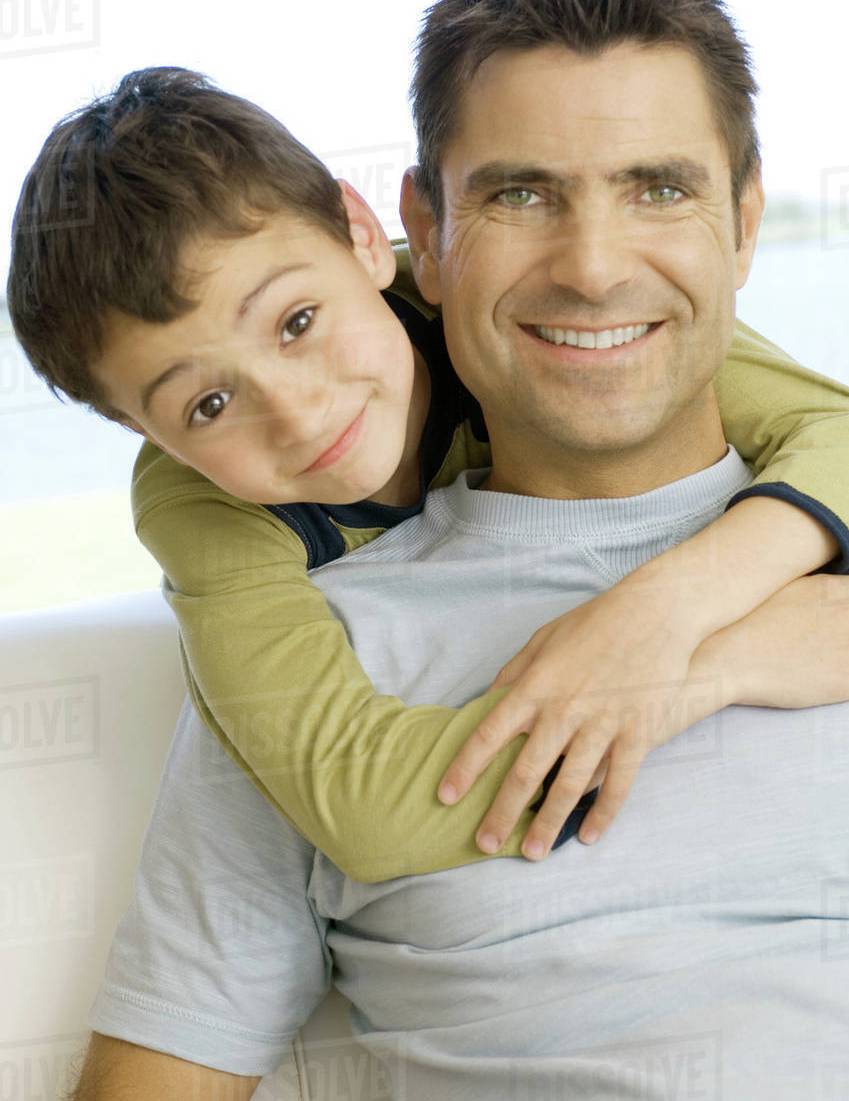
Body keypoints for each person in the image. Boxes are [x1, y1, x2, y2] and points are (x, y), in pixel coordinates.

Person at [52, 0, 849, 1099]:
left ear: (742, 221)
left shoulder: (805, 513)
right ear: (423, 233)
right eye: (521, 193)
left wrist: (683, 637)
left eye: (660, 188)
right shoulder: (312, 662)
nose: (593, 268)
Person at [8, 47, 849, 880]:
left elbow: (830, 430)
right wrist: (711, 665)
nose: (299, 415)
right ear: (141, 430)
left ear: (362, 236)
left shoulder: (510, 316)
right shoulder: (199, 508)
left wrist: (663, 611)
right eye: (208, 406)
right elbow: (364, 809)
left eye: (297, 321)